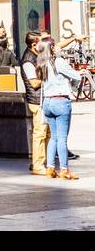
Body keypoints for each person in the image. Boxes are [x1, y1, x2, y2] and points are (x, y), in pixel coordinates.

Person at [37, 37, 82, 180]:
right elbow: (76, 76)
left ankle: (50, 168)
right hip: (61, 101)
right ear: (51, 48)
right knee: (62, 138)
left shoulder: (41, 63)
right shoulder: (59, 62)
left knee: (54, 138)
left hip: (48, 103)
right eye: (55, 45)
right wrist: (77, 77)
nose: (57, 47)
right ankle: (64, 170)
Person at [21, 31, 49, 174]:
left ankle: (42, 162)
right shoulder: (28, 60)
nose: (43, 44)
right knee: (40, 133)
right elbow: (34, 83)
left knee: (46, 133)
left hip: (42, 99)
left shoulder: (36, 55)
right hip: (37, 100)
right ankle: (38, 165)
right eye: (41, 41)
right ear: (33, 44)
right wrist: (50, 79)